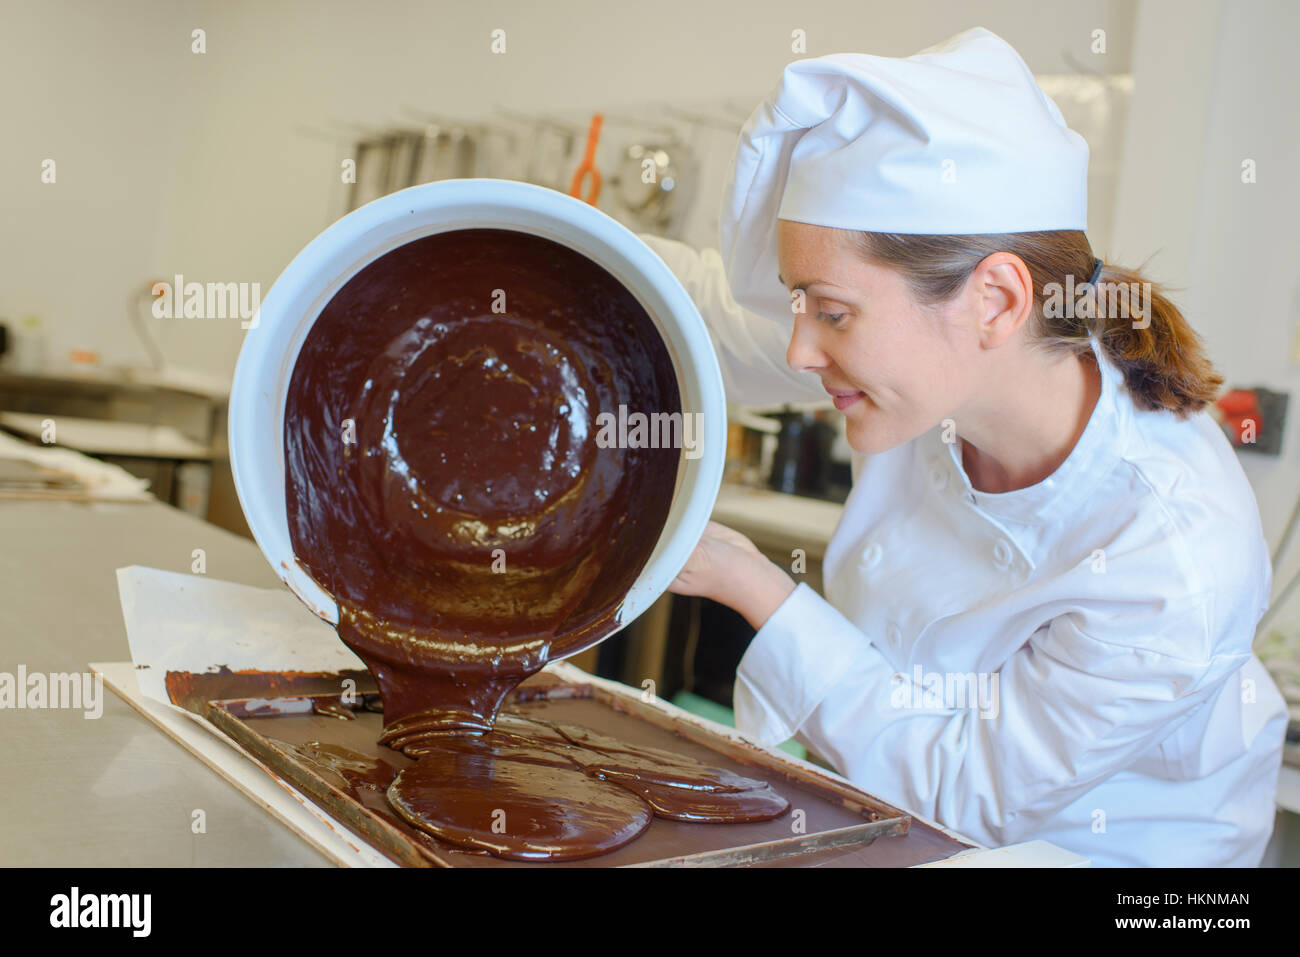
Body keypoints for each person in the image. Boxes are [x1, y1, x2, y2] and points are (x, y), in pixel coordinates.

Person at [649, 26, 1287, 867]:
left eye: (831, 312)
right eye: (801, 302)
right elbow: (708, 320)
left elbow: (964, 789)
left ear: (994, 299)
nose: (802, 349)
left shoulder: (1170, 550)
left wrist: (752, 584)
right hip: (895, 800)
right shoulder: (935, 366)